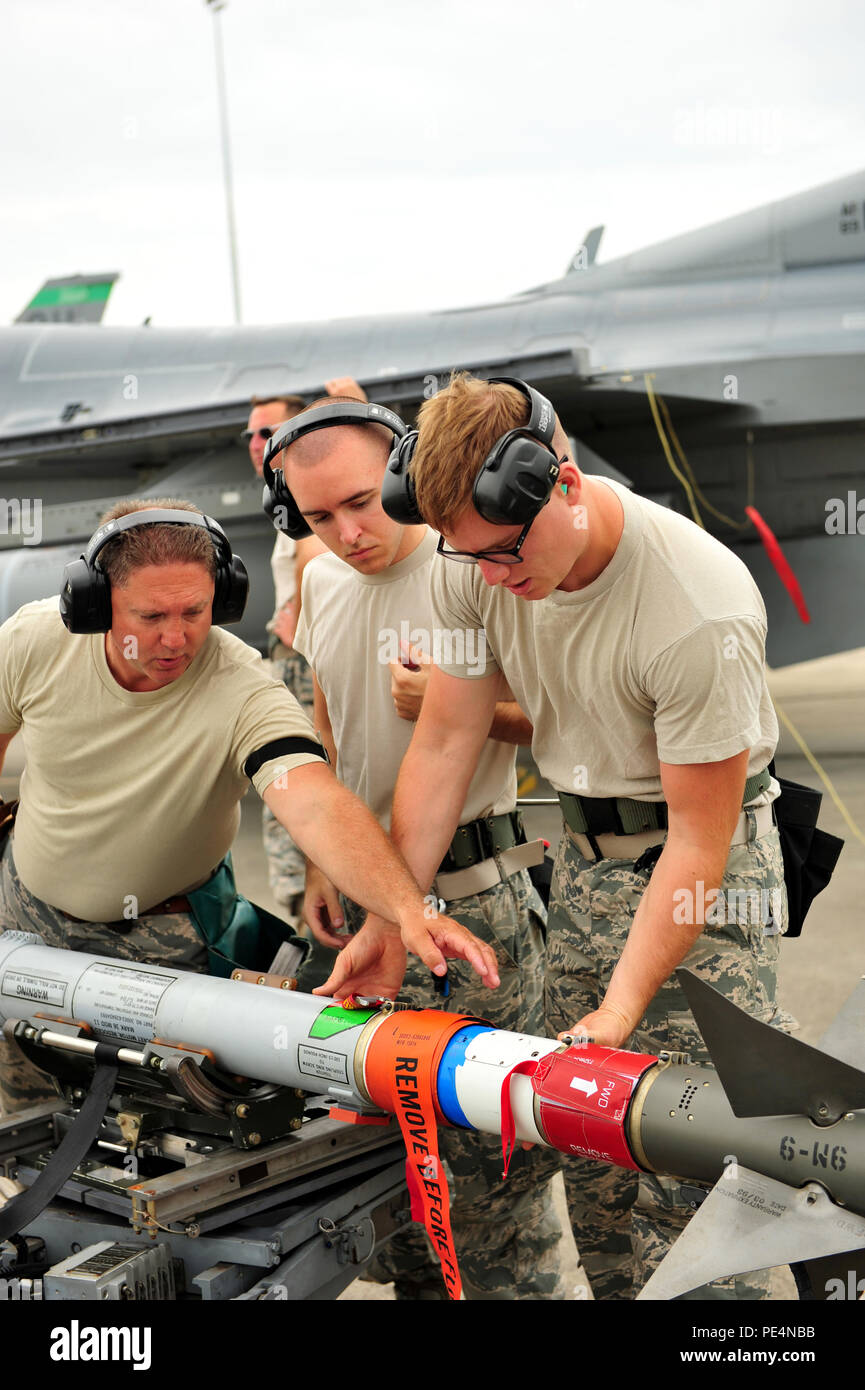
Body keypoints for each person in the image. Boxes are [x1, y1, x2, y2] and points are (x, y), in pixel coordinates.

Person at [321, 374, 793, 1300]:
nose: (494, 580)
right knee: (593, 1154)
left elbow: (698, 846)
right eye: (471, 559)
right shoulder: (477, 562)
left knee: (692, 1165)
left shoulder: (695, 607)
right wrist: (393, 917)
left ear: (564, 484)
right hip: (581, 865)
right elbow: (447, 741)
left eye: (504, 552)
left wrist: (618, 1012)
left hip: (702, 877)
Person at [0, 497, 498, 1117]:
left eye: (195, 611)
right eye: (151, 615)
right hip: (26, 926)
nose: (176, 638)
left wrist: (404, 909)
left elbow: (314, 802)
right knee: (23, 1120)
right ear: (97, 603)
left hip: (163, 947)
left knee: (148, 1130)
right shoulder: (34, 641)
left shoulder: (240, 687)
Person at [268, 396, 567, 1300]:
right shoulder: (321, 582)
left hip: (473, 904)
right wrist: (328, 860)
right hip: (367, 908)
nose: (348, 531)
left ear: (402, 472)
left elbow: (562, 725)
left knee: (491, 1185)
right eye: (318, 517)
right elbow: (325, 713)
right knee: (391, 1185)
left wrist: (467, 710)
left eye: (362, 501)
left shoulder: (479, 568)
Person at [244, 381, 366, 931]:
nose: (256, 442)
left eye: (269, 431)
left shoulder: (304, 501)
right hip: (297, 652)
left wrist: (301, 624)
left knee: (297, 772)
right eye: (250, 434)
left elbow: (315, 555)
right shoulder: (289, 504)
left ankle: (302, 900)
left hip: (297, 658)